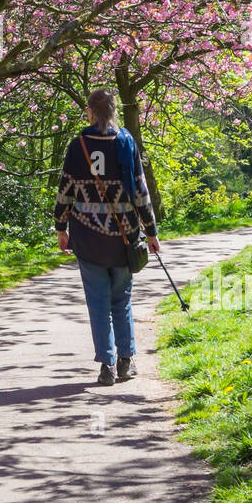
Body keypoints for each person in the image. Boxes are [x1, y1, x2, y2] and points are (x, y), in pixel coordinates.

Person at [53, 88, 160, 386]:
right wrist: (151, 231)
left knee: (98, 302)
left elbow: (66, 190)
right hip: (123, 236)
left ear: (90, 112)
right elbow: (140, 192)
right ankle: (126, 360)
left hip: (87, 237)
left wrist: (61, 227)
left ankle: (107, 366)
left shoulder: (78, 145)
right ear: (113, 111)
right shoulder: (126, 142)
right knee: (121, 299)